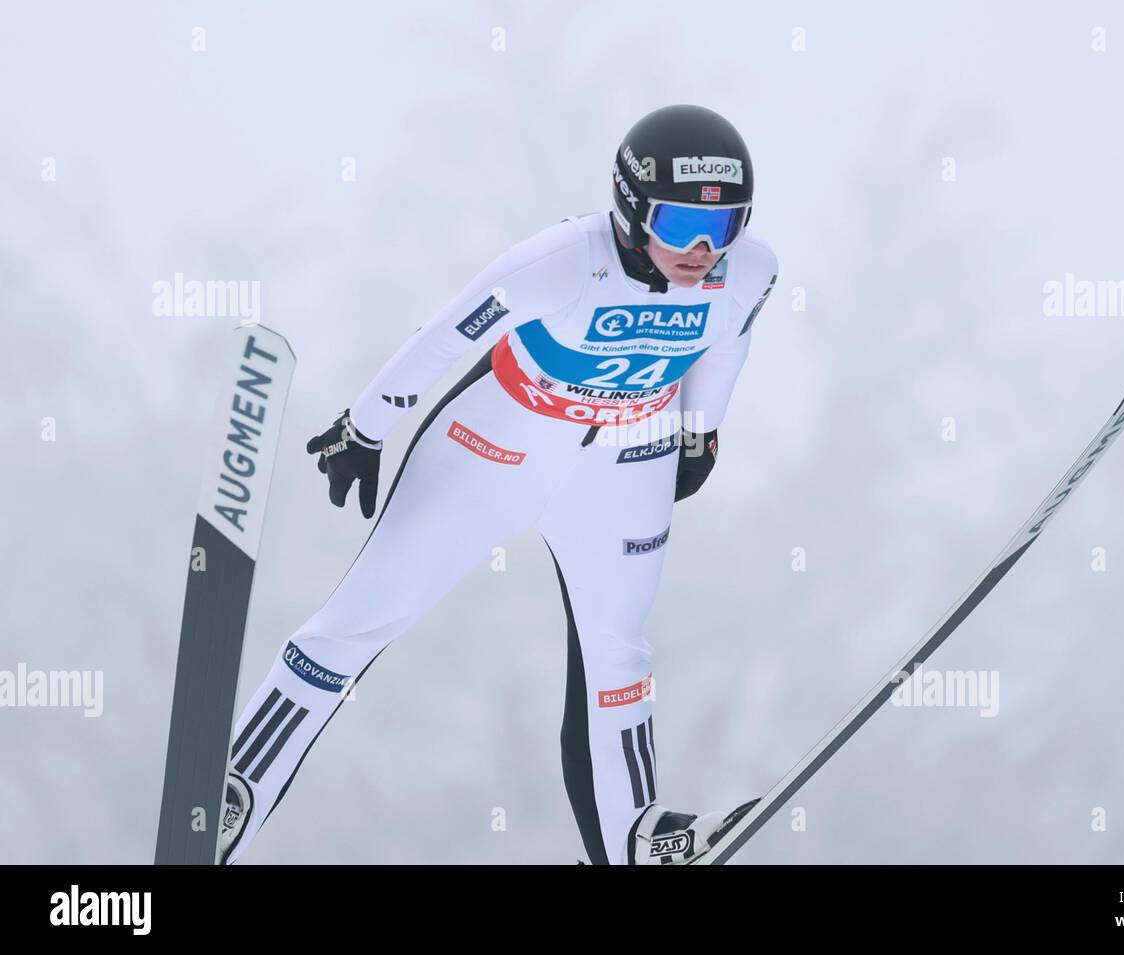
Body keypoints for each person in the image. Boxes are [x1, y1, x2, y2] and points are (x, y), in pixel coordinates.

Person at [218, 104, 778, 865]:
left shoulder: (748, 271)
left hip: (623, 462)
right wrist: (367, 426)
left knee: (618, 653)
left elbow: (728, 343)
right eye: (680, 226)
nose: (703, 249)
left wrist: (700, 431)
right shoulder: (560, 261)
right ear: (632, 205)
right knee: (360, 616)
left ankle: (632, 837)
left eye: (725, 226)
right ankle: (233, 791)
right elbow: (449, 333)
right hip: (495, 446)